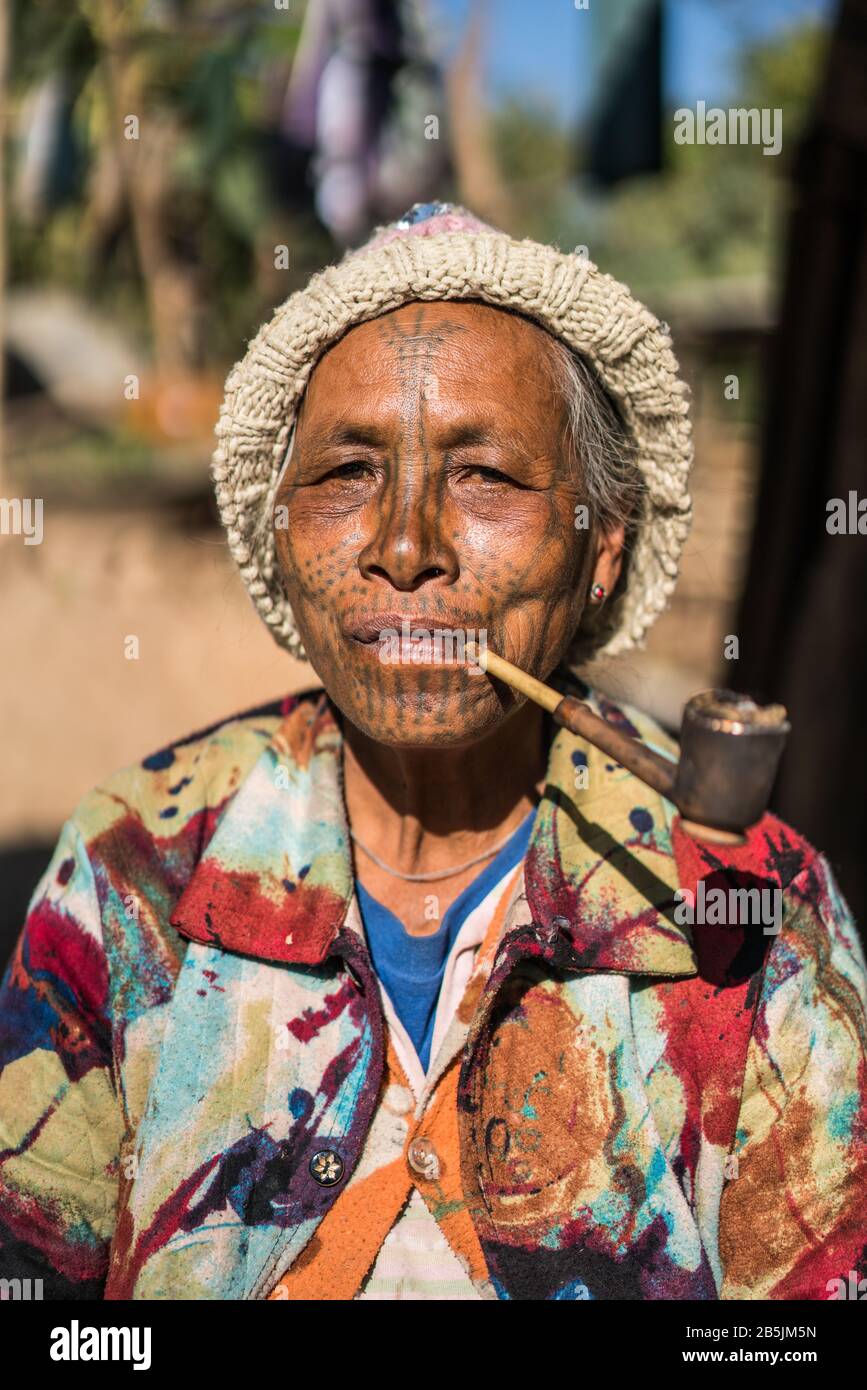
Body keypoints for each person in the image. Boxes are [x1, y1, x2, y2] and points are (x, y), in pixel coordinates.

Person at [1, 202, 865, 1301]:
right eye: (348, 472)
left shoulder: (748, 913)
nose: (406, 547)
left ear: (599, 546)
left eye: (486, 477)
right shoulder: (135, 868)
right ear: (285, 534)